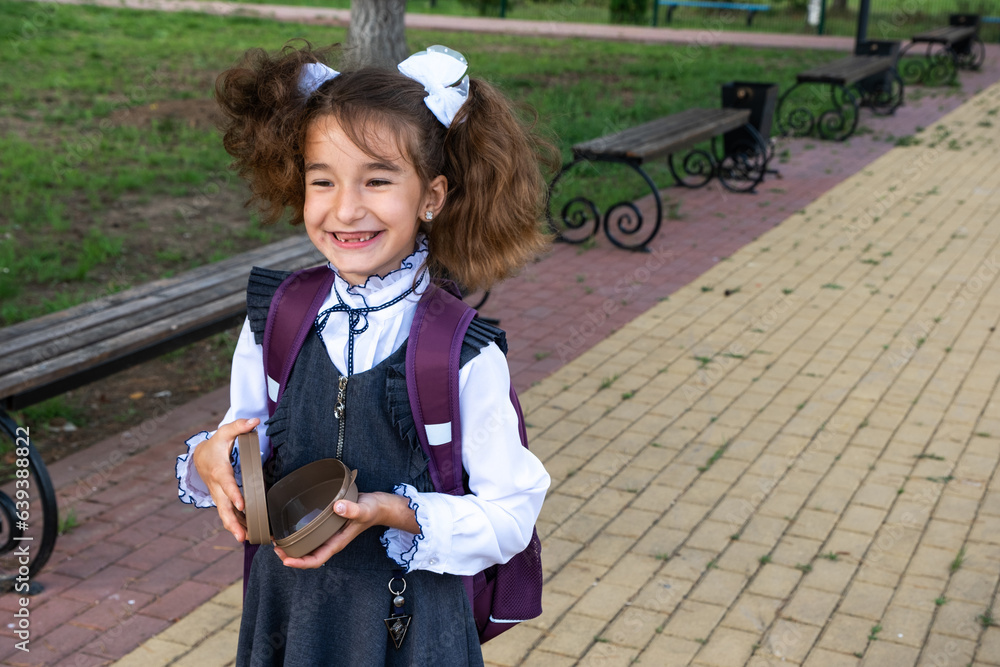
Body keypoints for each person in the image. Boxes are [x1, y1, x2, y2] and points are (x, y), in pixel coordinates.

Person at [174, 40, 551, 666]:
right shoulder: (276, 319)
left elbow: (510, 514)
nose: (346, 209)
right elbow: (246, 433)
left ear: (431, 196)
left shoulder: (460, 352)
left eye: (377, 180)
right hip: (287, 617)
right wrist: (216, 458)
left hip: (409, 629)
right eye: (323, 181)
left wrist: (398, 512)